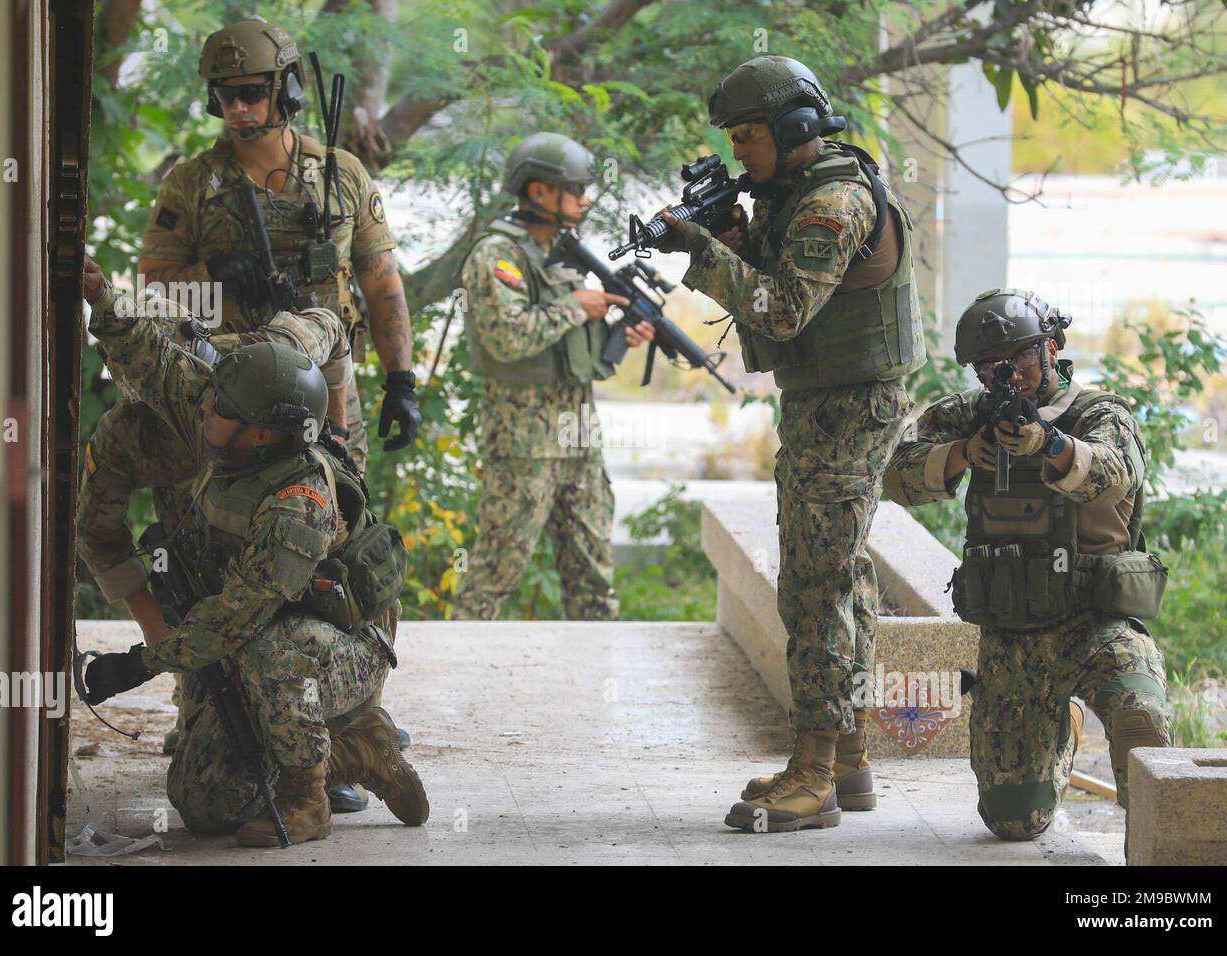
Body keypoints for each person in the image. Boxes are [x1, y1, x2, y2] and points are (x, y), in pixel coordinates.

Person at [658, 55, 926, 832]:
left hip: (848, 412)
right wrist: (735, 232)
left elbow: (779, 310)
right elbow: (779, 277)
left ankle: (814, 776)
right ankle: (845, 759)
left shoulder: (833, 202)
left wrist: (703, 253)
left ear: (794, 128)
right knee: (837, 578)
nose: (740, 151)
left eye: (748, 135)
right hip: (829, 407)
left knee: (815, 585)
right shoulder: (799, 193)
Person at [80, 259, 427, 846]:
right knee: (205, 802)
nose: (198, 411)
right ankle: (354, 749)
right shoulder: (152, 424)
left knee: (275, 649)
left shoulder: (271, 377)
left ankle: (313, 783)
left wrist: (335, 429)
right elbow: (100, 533)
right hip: (234, 616)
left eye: (211, 406)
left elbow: (334, 326)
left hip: (328, 627)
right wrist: (166, 641)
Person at [883, 288, 1170, 847]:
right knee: (1013, 822)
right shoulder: (969, 415)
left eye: (1019, 359)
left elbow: (1116, 474)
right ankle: (1062, 732)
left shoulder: (1100, 413)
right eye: (991, 366)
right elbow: (895, 475)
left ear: (1052, 347)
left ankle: (1165, 836)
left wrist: (1050, 444)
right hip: (1012, 637)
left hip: (1096, 622)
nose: (1007, 375)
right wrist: (965, 453)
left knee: (1141, 722)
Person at [136, 16, 420, 473]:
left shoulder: (341, 175)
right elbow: (151, 291)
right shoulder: (190, 185)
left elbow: (382, 282)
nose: (237, 108)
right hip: (226, 400)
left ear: (286, 89)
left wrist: (401, 382)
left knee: (334, 524)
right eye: (226, 95)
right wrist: (212, 275)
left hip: (328, 393)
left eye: (251, 93)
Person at [449, 133, 654, 621]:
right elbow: (508, 339)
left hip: (579, 441)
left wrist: (617, 338)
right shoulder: (497, 255)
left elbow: (569, 355)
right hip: (525, 446)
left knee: (594, 586)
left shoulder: (560, 256)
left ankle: (593, 691)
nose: (584, 198)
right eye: (575, 188)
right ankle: (458, 690)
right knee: (491, 582)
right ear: (538, 191)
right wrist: (574, 307)